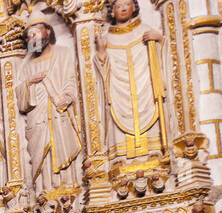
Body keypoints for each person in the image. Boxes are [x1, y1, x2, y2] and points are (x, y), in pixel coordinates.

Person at [16, 11, 83, 200]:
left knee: (62, 144)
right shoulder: (26, 65)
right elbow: (20, 97)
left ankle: (68, 185)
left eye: (36, 32)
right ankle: (44, 189)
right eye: (30, 35)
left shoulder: (63, 53)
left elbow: (71, 78)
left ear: (47, 31)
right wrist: (29, 82)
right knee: (41, 153)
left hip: (59, 112)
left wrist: (68, 97)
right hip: (37, 117)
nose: (33, 37)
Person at [95, 0, 167, 161]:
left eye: (127, 4)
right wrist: (101, 53)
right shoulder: (106, 38)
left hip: (144, 87)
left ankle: (154, 149)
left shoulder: (145, 30)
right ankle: (121, 155)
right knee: (116, 107)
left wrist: (160, 40)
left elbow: (165, 59)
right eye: (118, 6)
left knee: (150, 104)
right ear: (112, 11)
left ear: (134, 7)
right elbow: (100, 72)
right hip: (118, 91)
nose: (123, 8)